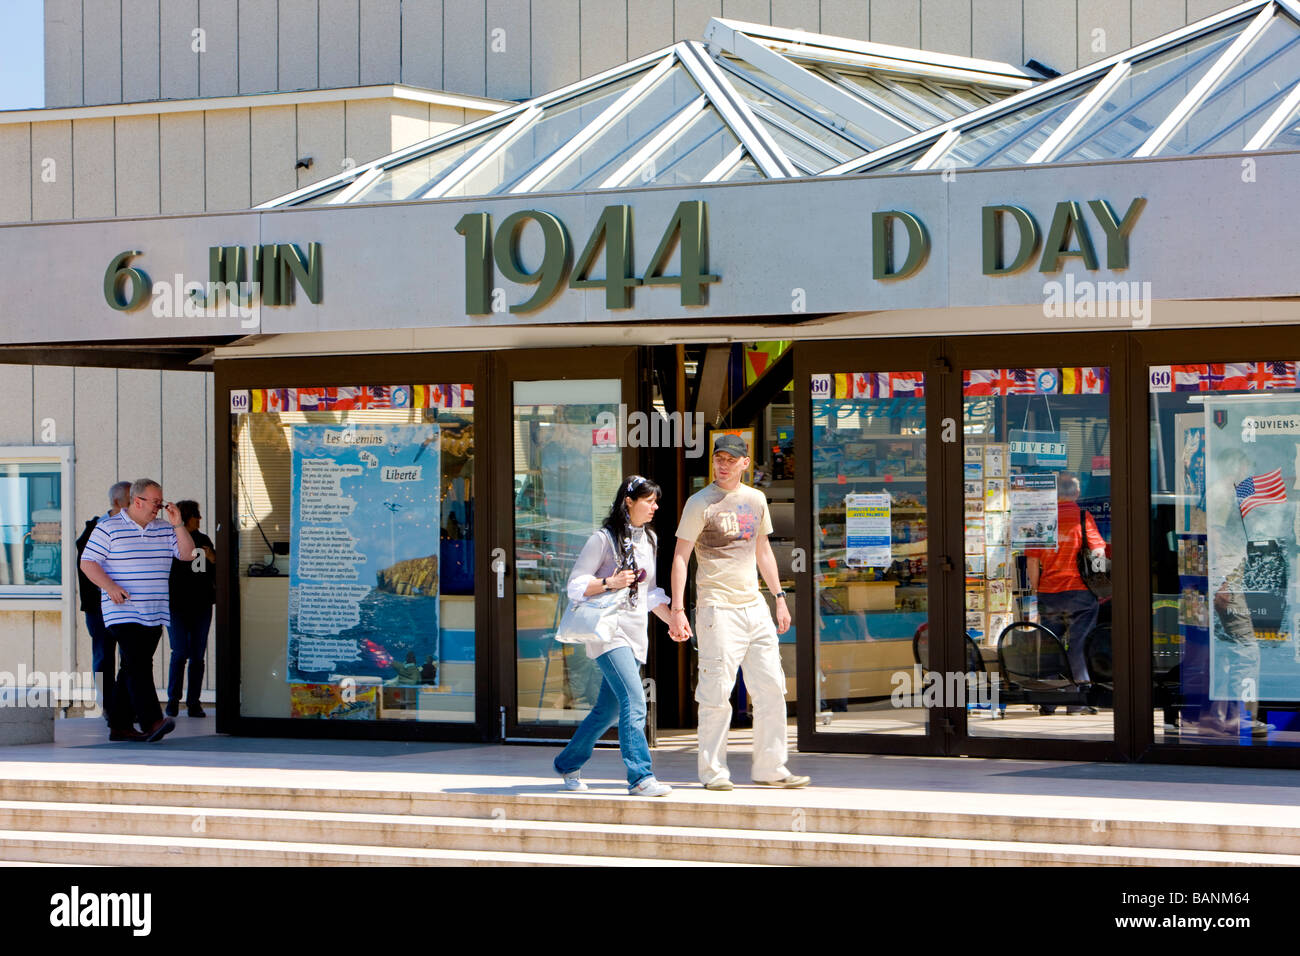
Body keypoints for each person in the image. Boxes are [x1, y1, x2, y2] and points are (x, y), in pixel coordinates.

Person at [670, 434, 809, 790]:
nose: (724, 464)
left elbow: (763, 550)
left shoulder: (756, 499)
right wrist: (677, 608)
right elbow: (681, 557)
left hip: (755, 606)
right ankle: (713, 773)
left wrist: (779, 597)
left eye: (732, 459)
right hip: (717, 608)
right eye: (719, 458)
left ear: (745, 463)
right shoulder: (699, 502)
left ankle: (770, 768)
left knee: (772, 689)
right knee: (717, 693)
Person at [553, 475, 674, 797]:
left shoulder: (649, 538)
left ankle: (567, 762)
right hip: (609, 632)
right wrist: (610, 582)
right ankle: (640, 777)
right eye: (649, 500)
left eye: (655, 501)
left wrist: (674, 620)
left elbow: (648, 593)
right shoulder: (603, 539)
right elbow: (576, 586)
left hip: (636, 634)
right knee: (635, 702)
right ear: (629, 502)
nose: (654, 507)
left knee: (608, 711)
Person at [79, 478, 195, 743]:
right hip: (122, 609)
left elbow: (188, 555)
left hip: (154, 610)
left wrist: (178, 523)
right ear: (137, 500)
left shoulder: (165, 529)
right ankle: (152, 720)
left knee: (132, 666)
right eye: (155, 502)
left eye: (161, 502)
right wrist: (110, 586)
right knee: (138, 663)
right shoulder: (108, 527)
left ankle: (119, 726)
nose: (160, 507)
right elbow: (88, 562)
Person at [1026, 473, 1106, 715]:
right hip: (1081, 593)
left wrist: (1038, 588)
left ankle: (1048, 701)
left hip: (1050, 592)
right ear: (1077, 494)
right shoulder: (1084, 518)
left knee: (1050, 645)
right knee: (1079, 644)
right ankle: (1077, 700)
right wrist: (1099, 585)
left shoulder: (1043, 518)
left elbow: (1032, 560)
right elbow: (1099, 552)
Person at [74, 481, 133, 739]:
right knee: (103, 657)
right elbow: (87, 570)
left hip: (126, 605)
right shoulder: (94, 531)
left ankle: (126, 706)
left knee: (130, 657)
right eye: (133, 500)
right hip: (98, 607)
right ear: (119, 502)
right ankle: (107, 705)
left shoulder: (133, 528)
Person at [165, 500, 216, 718]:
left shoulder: (203, 540)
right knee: (179, 652)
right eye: (196, 515)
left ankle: (194, 701)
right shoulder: (170, 539)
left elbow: (216, 569)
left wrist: (212, 557)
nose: (200, 519)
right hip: (176, 606)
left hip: (202, 605)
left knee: (197, 654)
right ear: (187, 516)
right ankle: (172, 700)